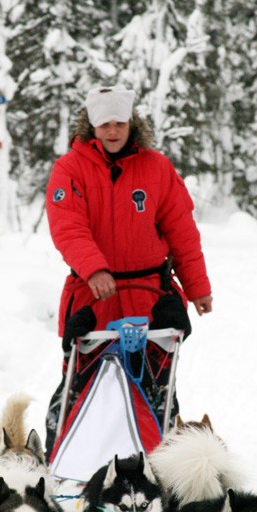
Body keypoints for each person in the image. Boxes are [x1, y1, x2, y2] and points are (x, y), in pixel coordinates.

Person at [43, 84, 213, 456]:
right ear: (92, 125)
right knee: (78, 385)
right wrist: (94, 269)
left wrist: (197, 287)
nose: (113, 131)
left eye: (119, 123)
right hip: (92, 296)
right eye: (105, 124)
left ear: (131, 122)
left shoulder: (157, 168)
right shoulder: (69, 169)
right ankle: (63, 460)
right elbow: (67, 226)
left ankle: (162, 462)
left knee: (157, 387)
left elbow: (182, 231)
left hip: (148, 296)